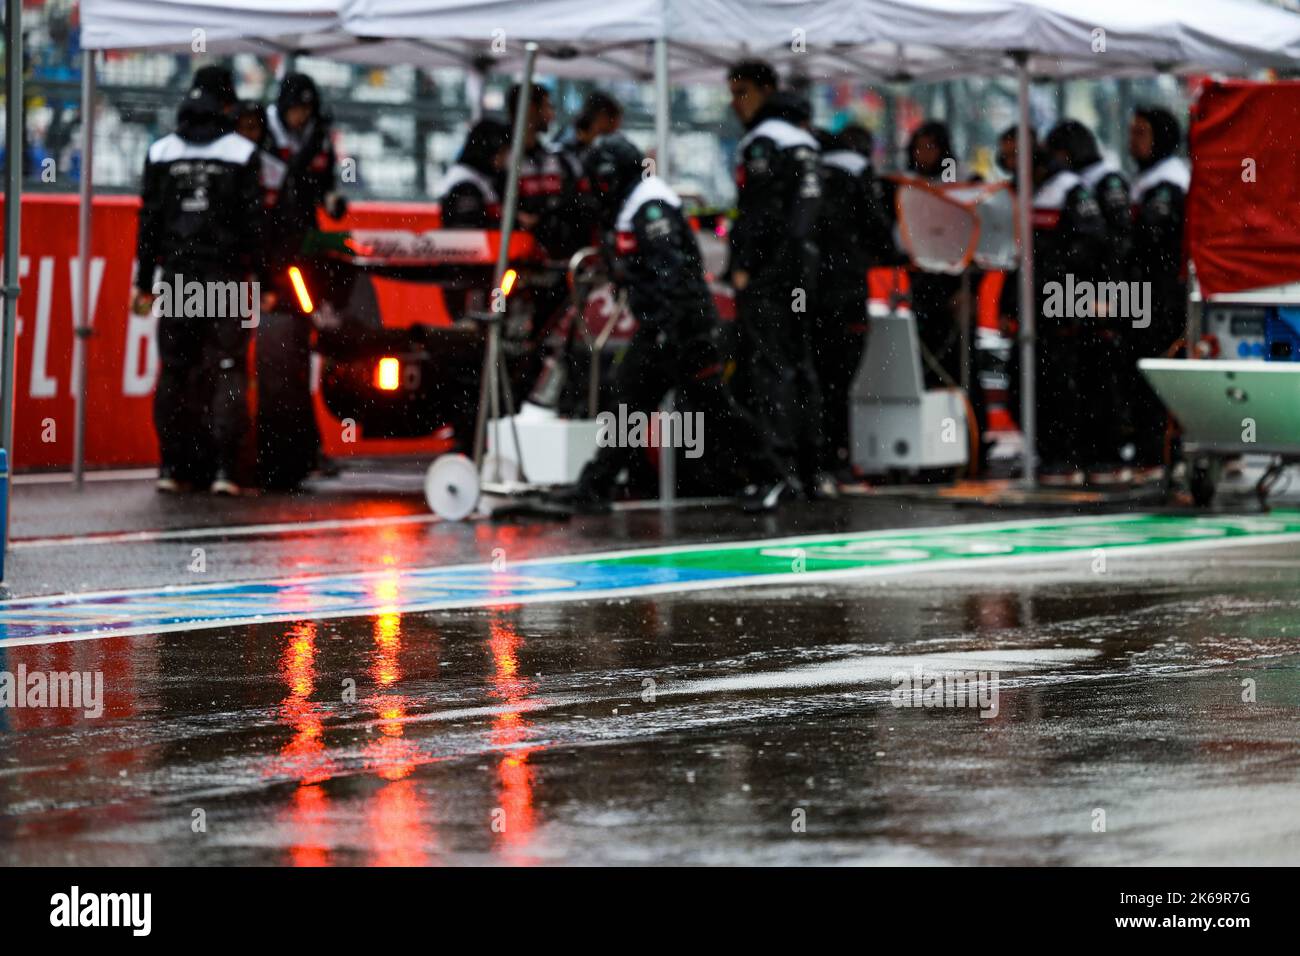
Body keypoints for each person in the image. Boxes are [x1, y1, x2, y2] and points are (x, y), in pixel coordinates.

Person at [559, 135, 790, 512]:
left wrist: (668, 326)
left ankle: (772, 476)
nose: (597, 192)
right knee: (632, 400)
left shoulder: (651, 207)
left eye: (600, 182)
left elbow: (674, 271)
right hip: (664, 326)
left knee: (711, 407)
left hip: (682, 328)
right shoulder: (633, 205)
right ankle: (596, 486)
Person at [132, 68, 263, 495]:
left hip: (177, 276)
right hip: (224, 275)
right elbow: (252, 226)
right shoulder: (242, 153)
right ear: (226, 104)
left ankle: (172, 466)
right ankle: (224, 470)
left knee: (174, 369)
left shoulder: (161, 151)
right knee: (227, 367)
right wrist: (259, 276)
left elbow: (149, 222)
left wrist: (144, 282)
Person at [725, 60, 830, 497]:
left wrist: (744, 266)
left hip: (773, 272)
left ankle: (778, 470)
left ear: (767, 90)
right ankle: (812, 470)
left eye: (743, 92)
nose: (735, 104)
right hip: (808, 269)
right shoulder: (807, 141)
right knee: (801, 366)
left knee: (771, 369)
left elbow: (760, 213)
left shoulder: (764, 142)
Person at [1046, 120, 1134, 485]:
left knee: (1103, 373)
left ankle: (1108, 451)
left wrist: (1108, 295)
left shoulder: (1106, 180)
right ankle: (1088, 450)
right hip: (1087, 292)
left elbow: (1118, 241)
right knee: (1084, 372)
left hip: (1107, 294)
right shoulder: (1081, 183)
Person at [811, 125, 895, 478]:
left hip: (807, 287)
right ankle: (839, 456)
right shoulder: (855, 170)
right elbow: (878, 228)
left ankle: (815, 457)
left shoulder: (801, 165)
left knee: (811, 372)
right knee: (841, 375)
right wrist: (888, 255)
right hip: (845, 287)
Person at [1022, 143, 1107, 486]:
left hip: (1067, 299)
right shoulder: (1036, 191)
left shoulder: (1071, 189)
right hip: (1040, 302)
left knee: (1066, 379)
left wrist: (1060, 277)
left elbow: (1093, 244)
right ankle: (1051, 453)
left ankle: (1070, 455)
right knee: (1043, 378)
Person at [1126, 105, 1190, 486]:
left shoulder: (1169, 182)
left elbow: (1151, 242)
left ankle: (1161, 453)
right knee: (1140, 372)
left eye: (1141, 133)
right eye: (1131, 132)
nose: (1133, 141)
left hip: (1163, 295)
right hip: (1143, 294)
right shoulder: (1146, 179)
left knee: (1158, 373)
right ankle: (1148, 450)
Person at [437, 118, 510, 228]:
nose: (506, 158)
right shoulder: (464, 183)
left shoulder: (483, 176)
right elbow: (469, 232)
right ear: (489, 151)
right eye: (503, 152)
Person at [558, 90, 623, 165]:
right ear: (602, 116)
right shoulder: (569, 141)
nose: (617, 126)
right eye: (615, 120)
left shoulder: (596, 141)